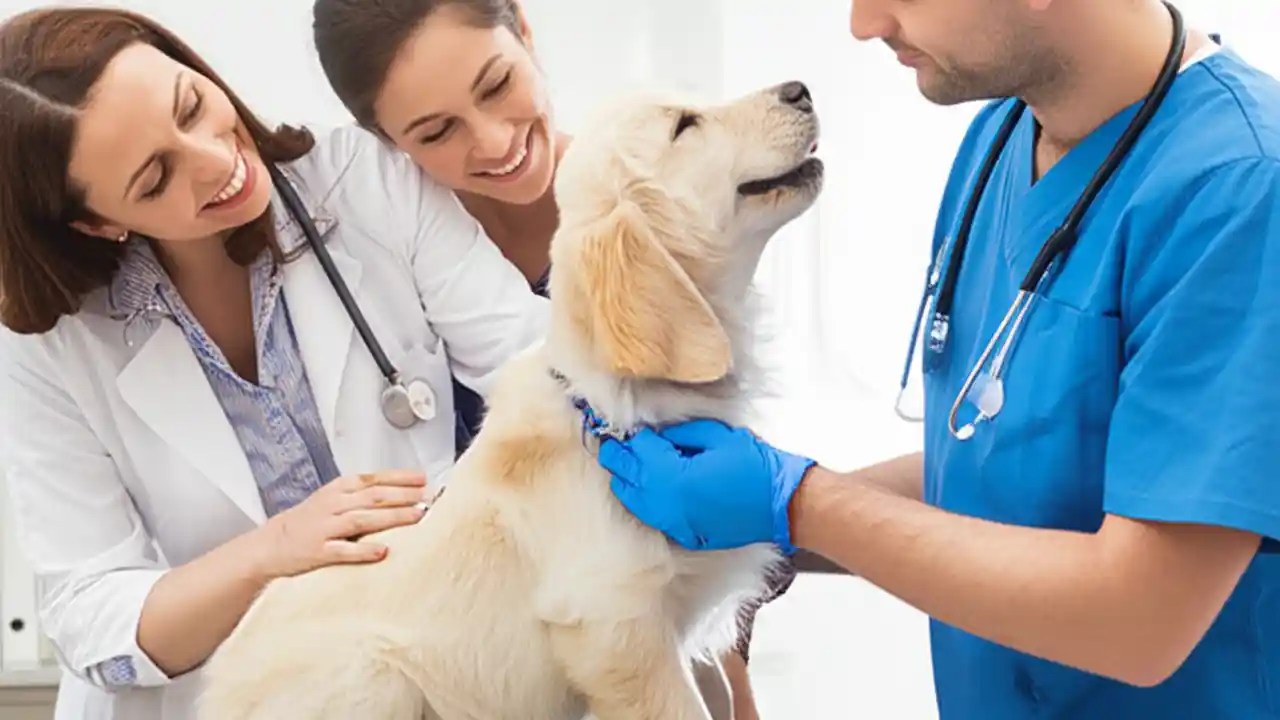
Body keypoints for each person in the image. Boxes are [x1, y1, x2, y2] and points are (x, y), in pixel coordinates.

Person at [596, 1, 1280, 718]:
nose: (865, 22)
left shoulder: (1241, 189)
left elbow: (1141, 619)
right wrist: (753, 538)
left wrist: (800, 503)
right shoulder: (1005, 135)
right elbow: (1007, 463)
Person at [0, 7, 547, 719]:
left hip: (424, 673)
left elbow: (536, 366)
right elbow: (88, 612)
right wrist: (273, 550)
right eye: (155, 178)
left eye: (191, 107)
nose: (216, 161)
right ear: (99, 222)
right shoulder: (49, 344)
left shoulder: (361, 182)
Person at [307, 1, 791, 716]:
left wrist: (730, 693)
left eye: (497, 84)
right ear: (385, 142)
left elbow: (706, 473)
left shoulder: (661, 198)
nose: (494, 140)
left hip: (648, 645)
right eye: (436, 131)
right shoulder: (379, 271)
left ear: (525, 32)